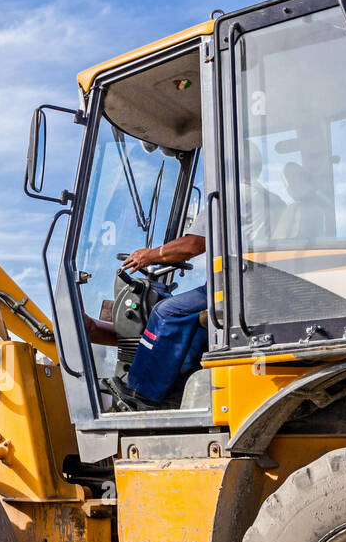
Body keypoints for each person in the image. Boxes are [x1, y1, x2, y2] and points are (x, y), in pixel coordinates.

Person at [88, 141, 285, 408]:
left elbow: (193, 245)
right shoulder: (273, 200)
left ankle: (140, 393)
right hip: (263, 283)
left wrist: (150, 255)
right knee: (192, 321)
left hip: (235, 286)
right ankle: (174, 390)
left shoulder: (230, 195)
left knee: (166, 313)